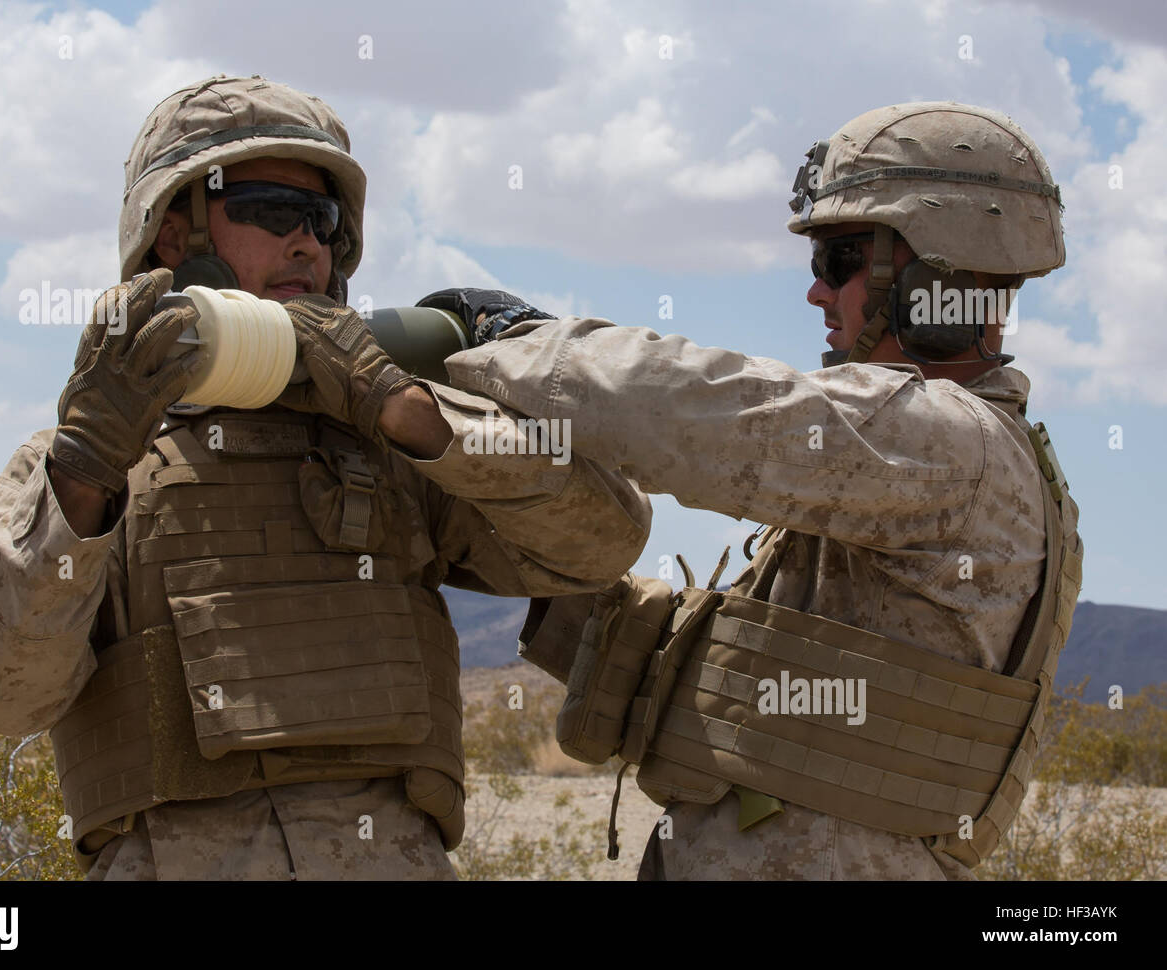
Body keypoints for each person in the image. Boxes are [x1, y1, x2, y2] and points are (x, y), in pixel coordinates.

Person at [0, 74, 650, 880]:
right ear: (173, 234)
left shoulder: (389, 432)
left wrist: (413, 415)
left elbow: (603, 541)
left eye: (325, 220)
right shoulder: (72, 468)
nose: (308, 243)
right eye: (274, 211)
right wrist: (89, 467)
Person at [425, 101, 1083, 880]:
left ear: (933, 270)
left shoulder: (946, 441)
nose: (816, 294)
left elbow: (705, 412)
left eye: (837, 261)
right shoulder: (947, 453)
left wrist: (509, 337)